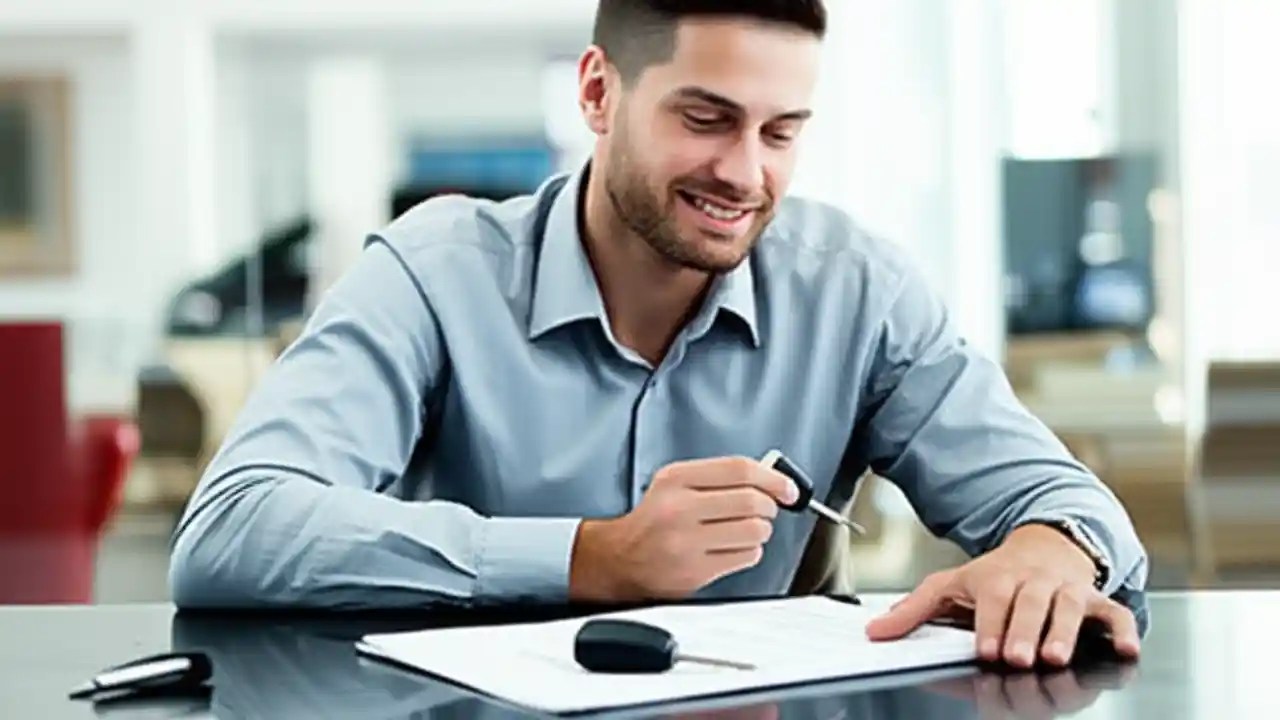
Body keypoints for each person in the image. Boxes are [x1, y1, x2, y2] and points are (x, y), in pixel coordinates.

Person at [169, 0, 1149, 671]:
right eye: (705, 118)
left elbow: (1056, 500)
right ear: (596, 93)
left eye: (779, 132)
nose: (743, 172)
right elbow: (231, 531)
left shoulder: (856, 288)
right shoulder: (433, 273)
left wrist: (1050, 551)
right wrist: (591, 557)